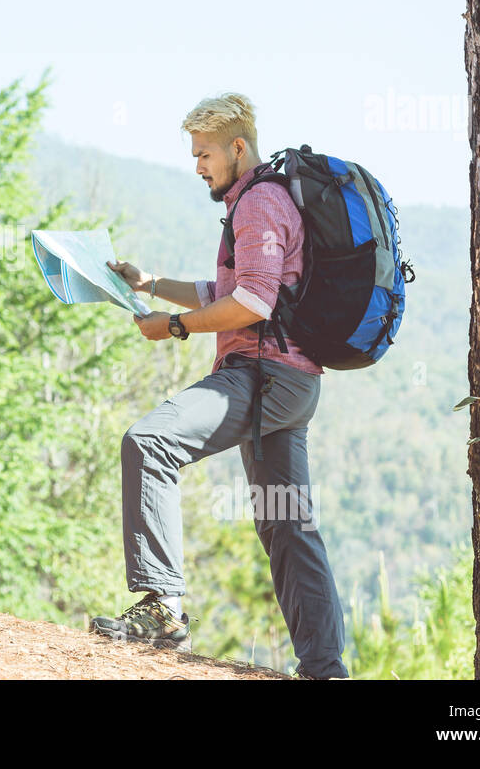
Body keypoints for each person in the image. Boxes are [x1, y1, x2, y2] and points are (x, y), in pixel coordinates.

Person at [91, 92, 349, 680]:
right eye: (193, 154)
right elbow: (227, 291)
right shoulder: (262, 202)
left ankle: (163, 609)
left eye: (204, 153)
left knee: (150, 441)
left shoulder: (259, 203)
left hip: (261, 376)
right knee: (289, 525)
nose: (197, 165)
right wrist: (153, 284)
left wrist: (174, 328)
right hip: (293, 382)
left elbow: (253, 302)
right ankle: (325, 669)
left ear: (238, 147)